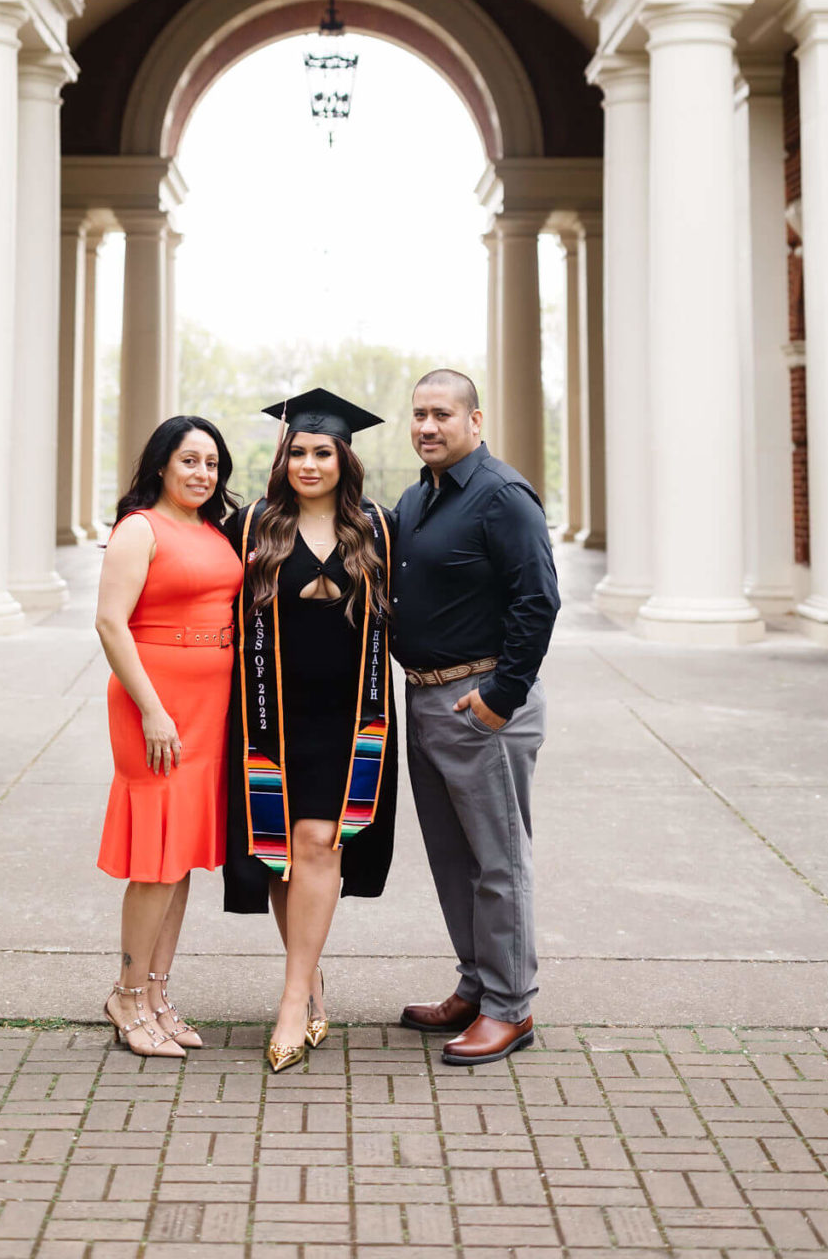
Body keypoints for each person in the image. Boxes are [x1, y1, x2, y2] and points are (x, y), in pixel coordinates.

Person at [224, 388, 398, 1072]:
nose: (308, 462)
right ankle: (311, 976)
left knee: (321, 843)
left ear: (343, 457)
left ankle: (292, 999)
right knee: (281, 854)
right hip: (269, 713)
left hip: (348, 717)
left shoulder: (378, 529)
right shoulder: (250, 527)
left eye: (321, 451)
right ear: (282, 457)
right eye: (296, 451)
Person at [392, 369, 560, 1067]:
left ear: (475, 420)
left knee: (497, 862)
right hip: (424, 698)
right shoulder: (417, 498)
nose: (428, 427)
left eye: (442, 414)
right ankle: (475, 984)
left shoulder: (500, 497)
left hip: (478, 703)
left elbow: (537, 601)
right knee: (452, 859)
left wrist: (501, 696)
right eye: (418, 415)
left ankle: (510, 1007)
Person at [95, 415, 243, 1059]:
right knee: (156, 857)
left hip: (210, 708)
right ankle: (126, 996)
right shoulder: (140, 528)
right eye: (189, 461)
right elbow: (110, 624)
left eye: (212, 463)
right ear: (161, 464)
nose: (202, 473)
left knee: (179, 858)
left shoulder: (213, 530)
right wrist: (153, 709)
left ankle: (156, 994)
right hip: (156, 706)